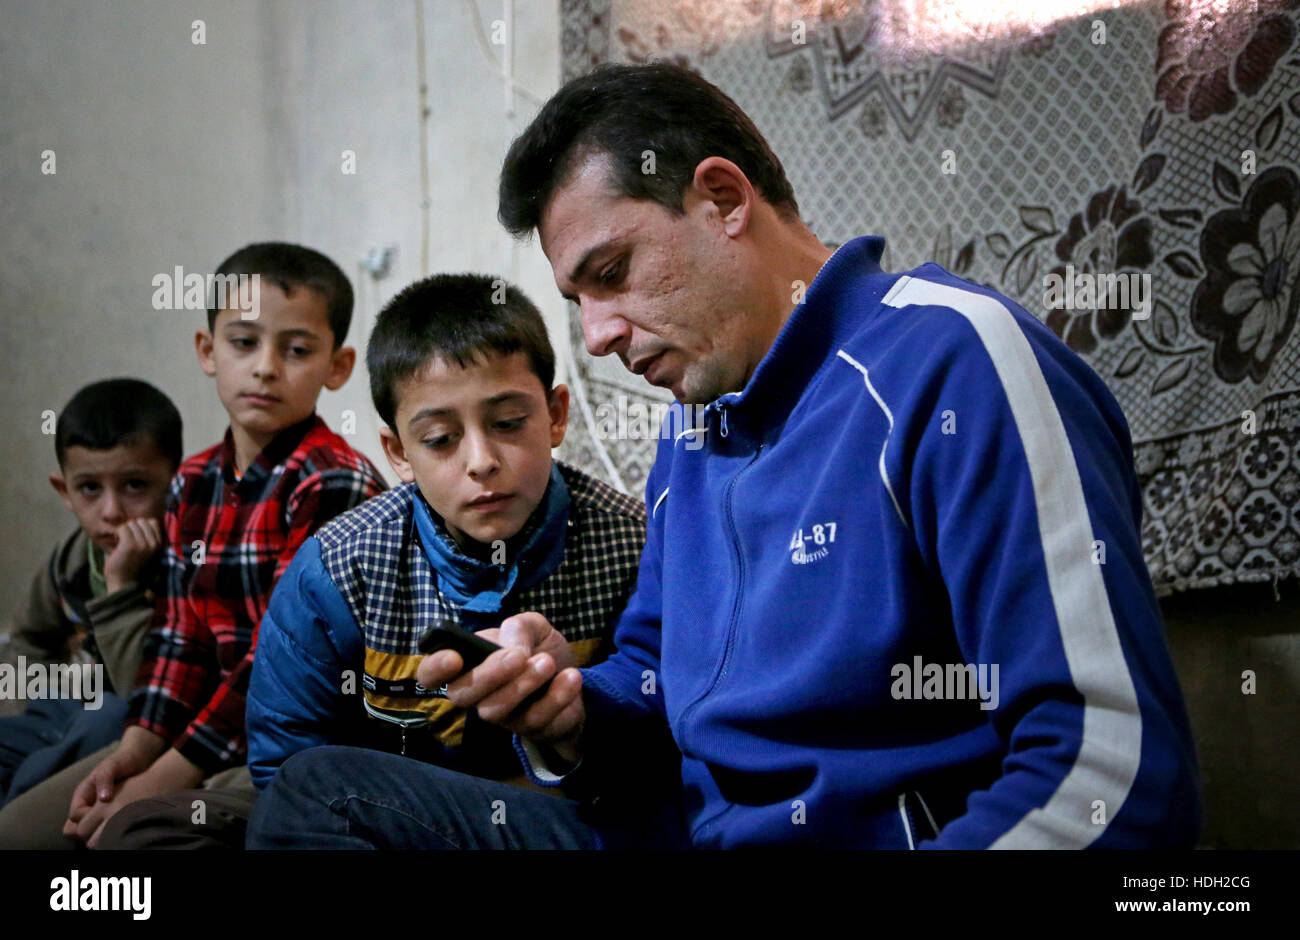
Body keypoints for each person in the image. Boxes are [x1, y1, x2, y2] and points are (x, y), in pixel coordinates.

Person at [248, 63, 1203, 850]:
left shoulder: (951, 366)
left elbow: (1109, 772)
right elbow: (653, 679)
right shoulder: (695, 427)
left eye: (611, 276)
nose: (601, 334)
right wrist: (569, 710)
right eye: (576, 300)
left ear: (721, 198)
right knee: (318, 795)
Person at [104, 273, 649, 849]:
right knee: (146, 831)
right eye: (440, 439)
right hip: (379, 823)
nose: (482, 460)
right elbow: (284, 765)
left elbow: (661, 748)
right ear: (398, 453)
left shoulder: (631, 545)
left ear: (556, 414)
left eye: (509, 424)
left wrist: (568, 725)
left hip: (557, 819)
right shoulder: (342, 567)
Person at [0, 242, 388, 848]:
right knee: (22, 830)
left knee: (128, 837)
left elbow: (281, 668)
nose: (264, 367)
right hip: (197, 735)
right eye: (243, 342)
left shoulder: (333, 482)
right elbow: (179, 640)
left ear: (337, 367)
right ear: (208, 351)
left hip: (300, 743)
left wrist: (163, 775)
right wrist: (133, 752)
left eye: (296, 350)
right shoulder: (192, 482)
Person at [0, 379, 181, 806]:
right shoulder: (72, 560)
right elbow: (29, 638)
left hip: (132, 719)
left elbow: (146, 694)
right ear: (64, 491)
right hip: (68, 708)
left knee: (101, 720)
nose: (112, 511)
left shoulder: (184, 562)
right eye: (89, 489)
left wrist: (122, 588)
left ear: (175, 483)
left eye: (135, 485)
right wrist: (43, 701)